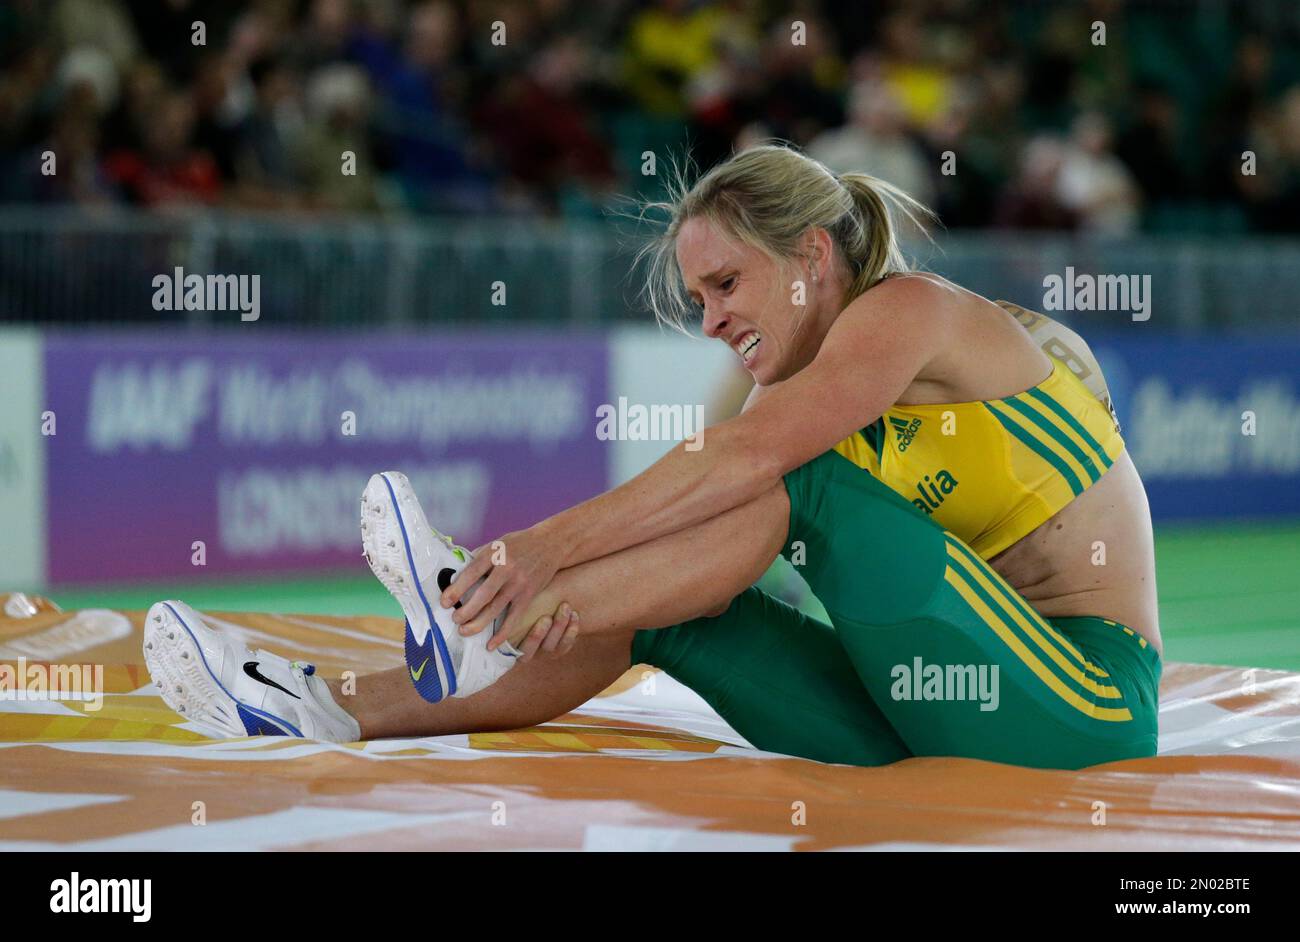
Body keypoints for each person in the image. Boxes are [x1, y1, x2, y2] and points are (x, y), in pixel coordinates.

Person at [143, 143, 1161, 770]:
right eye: (698, 304)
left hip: (1083, 712)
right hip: (923, 716)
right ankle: (322, 706)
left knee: (780, 472)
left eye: (724, 286)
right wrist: (571, 574)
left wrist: (534, 554)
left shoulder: (911, 310)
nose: (711, 322)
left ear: (811, 255)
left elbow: (747, 458)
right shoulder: (810, 385)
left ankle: (487, 614)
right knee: (670, 613)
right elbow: (719, 505)